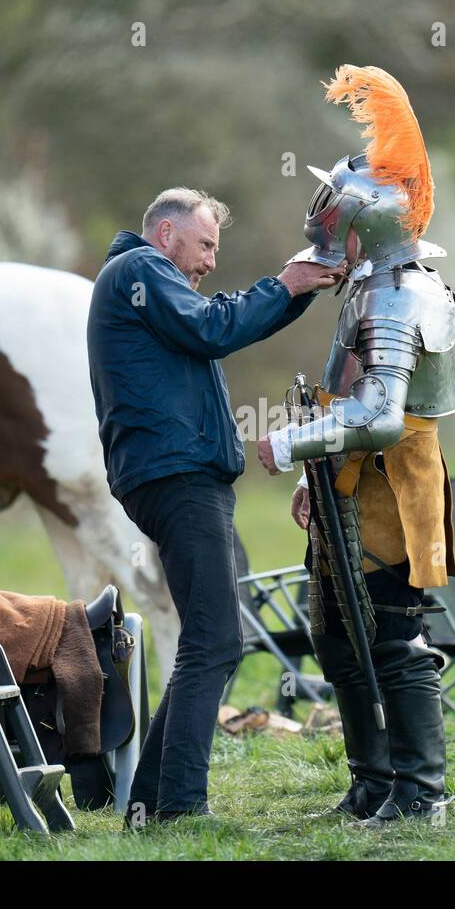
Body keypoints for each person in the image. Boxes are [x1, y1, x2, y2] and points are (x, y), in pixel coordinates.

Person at [88, 187, 343, 824]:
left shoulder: (144, 283)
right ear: (166, 232)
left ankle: (149, 802)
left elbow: (221, 323)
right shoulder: (139, 270)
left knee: (212, 641)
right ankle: (179, 808)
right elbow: (212, 328)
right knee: (215, 642)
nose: (207, 262)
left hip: (173, 476)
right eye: (204, 245)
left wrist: (296, 290)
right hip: (178, 477)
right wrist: (283, 283)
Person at [258, 66, 455, 826]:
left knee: (394, 641)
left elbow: (379, 415)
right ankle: (373, 782)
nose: (325, 226)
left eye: (336, 216)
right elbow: (351, 403)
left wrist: (288, 442)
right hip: (348, 486)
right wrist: (316, 473)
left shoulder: (404, 293)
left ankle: (422, 793)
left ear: (364, 222)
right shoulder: (368, 290)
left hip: (392, 487)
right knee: (338, 637)